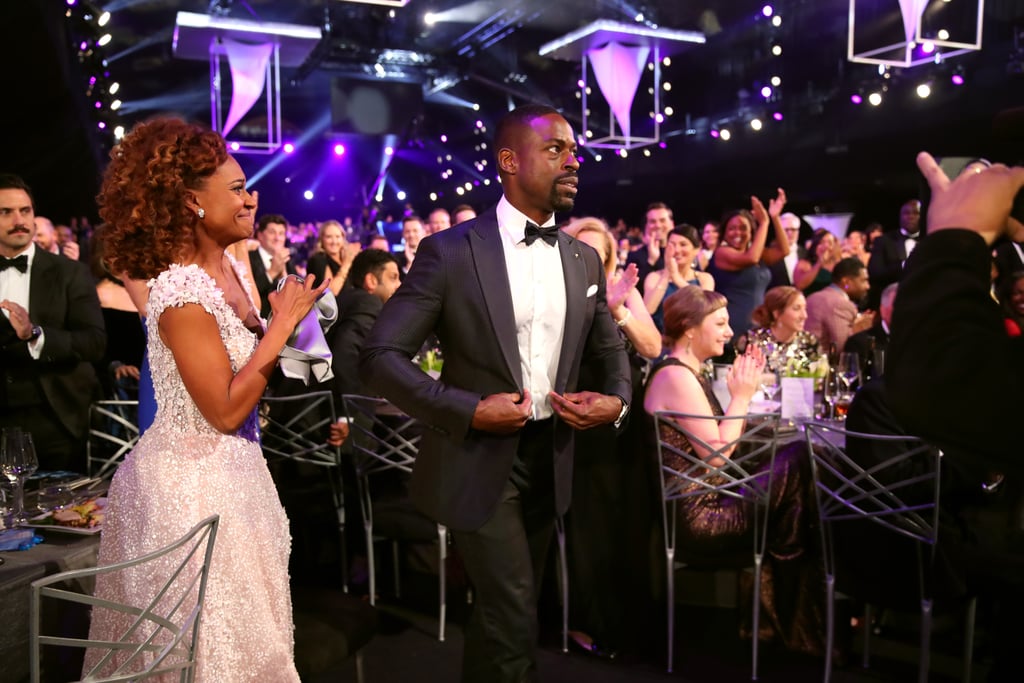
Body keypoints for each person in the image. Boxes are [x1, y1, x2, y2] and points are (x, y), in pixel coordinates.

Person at [360, 104, 631, 683]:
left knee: (497, 613)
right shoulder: (451, 252)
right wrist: (466, 408)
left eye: (573, 149)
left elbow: (610, 352)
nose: (573, 160)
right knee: (513, 618)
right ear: (509, 161)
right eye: (555, 149)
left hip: (548, 459)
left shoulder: (583, 258)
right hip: (477, 462)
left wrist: (618, 401)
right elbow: (379, 357)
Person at [86, 117, 328, 681]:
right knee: (206, 650)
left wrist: (291, 325)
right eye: (239, 189)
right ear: (193, 203)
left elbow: (253, 363)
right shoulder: (180, 292)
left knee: (251, 641)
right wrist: (280, 327)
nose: (253, 199)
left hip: (236, 474)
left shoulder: (225, 270)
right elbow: (221, 411)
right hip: (190, 491)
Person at [642, 285, 825, 655]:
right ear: (691, 329)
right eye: (721, 323)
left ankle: (780, 622)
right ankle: (788, 621)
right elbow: (717, 458)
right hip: (700, 516)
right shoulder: (676, 377)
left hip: (709, 500)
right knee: (800, 460)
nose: (730, 331)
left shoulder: (687, 372)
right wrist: (741, 395)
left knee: (794, 484)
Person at [560, 216, 660, 657]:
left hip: (623, 421)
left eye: (598, 252)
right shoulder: (556, 293)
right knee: (588, 524)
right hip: (580, 418)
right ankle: (586, 621)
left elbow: (653, 346)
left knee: (625, 519)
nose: (590, 258)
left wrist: (618, 309)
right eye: (581, 248)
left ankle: (631, 619)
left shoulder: (622, 290)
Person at [0, 174, 106, 472]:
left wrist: (36, 334)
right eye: (5, 212)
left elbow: (95, 343)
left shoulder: (70, 273)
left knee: (59, 515)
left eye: (25, 210)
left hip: (55, 419)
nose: (18, 220)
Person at [705, 189, 790, 347]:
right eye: (732, 228)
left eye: (743, 228)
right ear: (724, 233)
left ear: (752, 231)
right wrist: (764, 223)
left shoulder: (758, 254)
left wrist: (775, 217)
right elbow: (751, 259)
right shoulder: (722, 253)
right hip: (733, 326)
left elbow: (784, 250)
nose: (737, 232)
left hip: (758, 326)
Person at [328, 248, 401, 397]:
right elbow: (345, 352)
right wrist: (351, 414)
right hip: (326, 411)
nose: (399, 284)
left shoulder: (353, 299)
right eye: (393, 278)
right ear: (371, 281)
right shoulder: (368, 303)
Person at [643, 224, 714, 332]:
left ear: (696, 249)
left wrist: (677, 279)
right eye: (672, 245)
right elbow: (647, 310)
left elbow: (706, 308)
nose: (676, 250)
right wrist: (667, 273)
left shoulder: (705, 279)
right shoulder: (654, 277)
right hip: (660, 340)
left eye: (683, 244)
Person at [735, 285, 819, 372]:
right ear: (777, 313)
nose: (804, 316)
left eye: (805, 308)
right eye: (796, 309)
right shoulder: (751, 341)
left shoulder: (809, 342)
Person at [804, 256, 875, 351]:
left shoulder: (814, 296)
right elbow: (841, 348)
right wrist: (858, 328)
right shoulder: (841, 304)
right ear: (846, 282)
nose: (867, 286)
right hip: (823, 363)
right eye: (863, 281)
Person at [867, 199, 920, 310]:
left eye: (916, 213)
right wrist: (903, 265)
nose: (910, 217)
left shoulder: (930, 239)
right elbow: (875, 272)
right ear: (900, 216)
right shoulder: (884, 241)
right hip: (893, 304)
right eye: (906, 213)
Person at [844, 281, 897, 380]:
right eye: (897, 305)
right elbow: (854, 385)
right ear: (882, 309)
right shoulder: (859, 343)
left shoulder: (919, 342)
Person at [249, 212, 298, 318]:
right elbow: (247, 294)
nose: (277, 238)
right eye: (272, 232)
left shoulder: (288, 261)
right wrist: (272, 273)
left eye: (281, 234)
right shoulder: (249, 258)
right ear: (260, 235)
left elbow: (297, 294)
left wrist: (284, 274)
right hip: (258, 321)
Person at [626, 201, 673, 294]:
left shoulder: (681, 253)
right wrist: (651, 261)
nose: (658, 225)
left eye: (662, 220)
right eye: (652, 221)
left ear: (672, 223)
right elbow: (632, 290)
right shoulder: (634, 256)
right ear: (646, 226)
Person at [307, 219, 358, 296]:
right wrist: (346, 264)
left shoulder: (346, 256)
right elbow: (331, 293)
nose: (334, 242)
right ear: (321, 239)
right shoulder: (318, 259)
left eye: (338, 237)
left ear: (343, 238)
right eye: (329, 237)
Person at [792, 228, 841, 296]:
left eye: (830, 243)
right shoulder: (804, 264)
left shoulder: (838, 265)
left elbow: (846, 286)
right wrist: (819, 263)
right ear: (815, 245)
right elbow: (800, 286)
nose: (826, 246)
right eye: (821, 242)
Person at [767, 212, 804, 288]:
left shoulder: (805, 253)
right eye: (786, 230)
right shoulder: (771, 253)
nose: (790, 233)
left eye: (793, 230)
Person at [395, 214, 425, 278]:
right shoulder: (396, 258)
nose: (411, 235)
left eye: (415, 231)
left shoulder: (433, 255)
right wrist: (408, 266)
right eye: (407, 231)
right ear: (403, 234)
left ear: (423, 232)